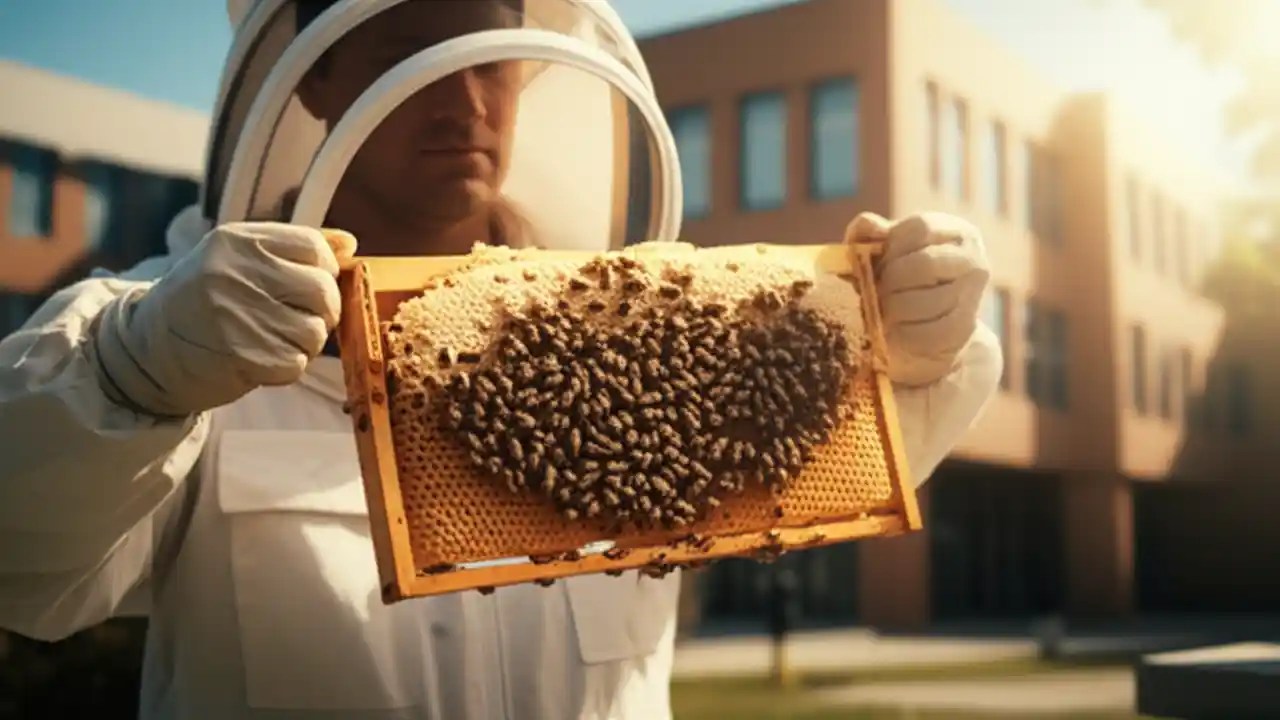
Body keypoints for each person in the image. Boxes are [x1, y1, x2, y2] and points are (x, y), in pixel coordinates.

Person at [0, 1, 1003, 718]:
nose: (464, 103)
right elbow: (22, 565)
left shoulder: (638, 336)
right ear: (313, 71)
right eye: (409, 50)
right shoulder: (168, 329)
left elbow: (822, 469)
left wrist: (908, 354)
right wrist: (129, 380)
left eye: (489, 52)